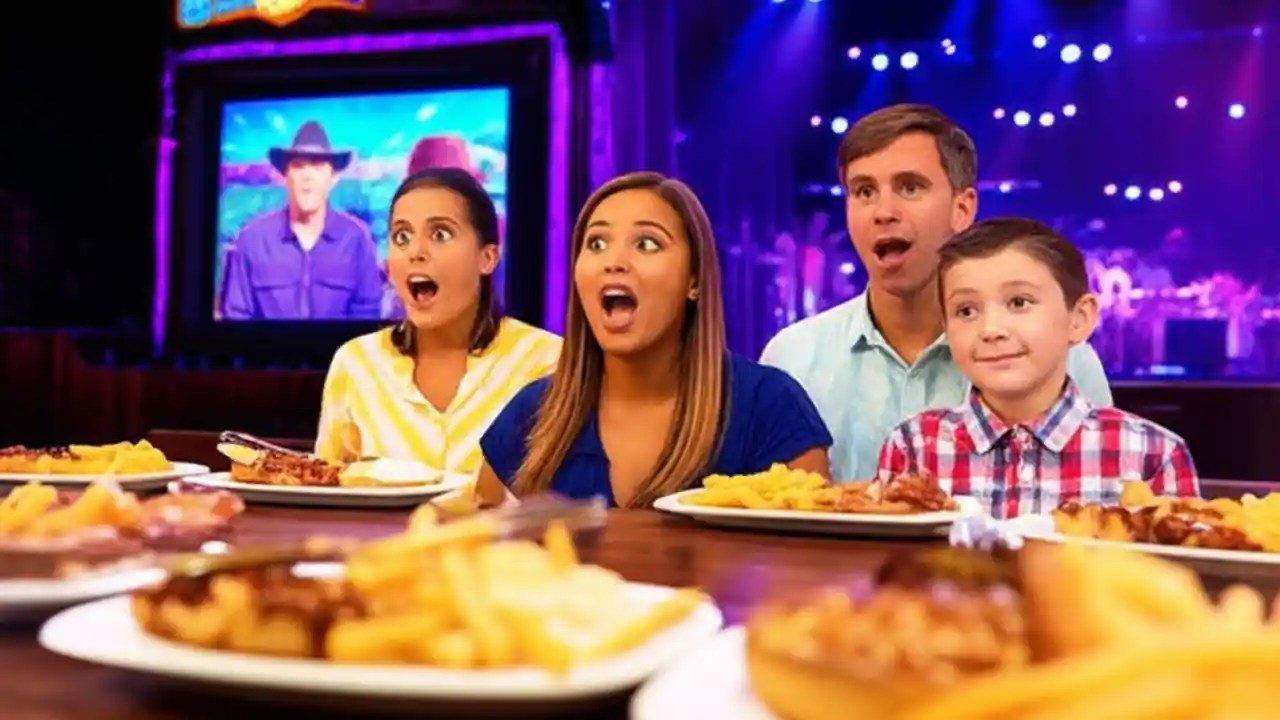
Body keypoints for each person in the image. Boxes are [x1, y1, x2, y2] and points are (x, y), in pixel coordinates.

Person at [760, 104, 1112, 482]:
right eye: (864, 191)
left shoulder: (1065, 358)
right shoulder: (793, 358)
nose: (884, 212)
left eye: (910, 187)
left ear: (962, 209)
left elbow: (1098, 511)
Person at [477, 172, 833, 508]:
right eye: (596, 243)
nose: (613, 262)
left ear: (694, 280)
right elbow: (474, 552)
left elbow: (812, 556)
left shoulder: (768, 405)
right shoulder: (534, 413)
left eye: (647, 244)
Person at [876, 218, 1198, 518]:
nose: (991, 329)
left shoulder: (1152, 453)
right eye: (966, 310)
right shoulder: (913, 446)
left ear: (1079, 318)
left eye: (1019, 303)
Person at [314, 168, 561, 474]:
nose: (416, 252)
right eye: (401, 237)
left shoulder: (544, 361)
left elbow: (564, 499)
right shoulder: (356, 363)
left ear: (488, 257)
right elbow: (326, 487)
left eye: (440, 234)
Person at [221, 120, 383, 320]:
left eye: (317, 166)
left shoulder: (357, 239)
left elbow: (366, 319)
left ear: (333, 178)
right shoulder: (252, 239)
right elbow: (236, 319)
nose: (307, 176)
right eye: (298, 166)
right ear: (285, 177)